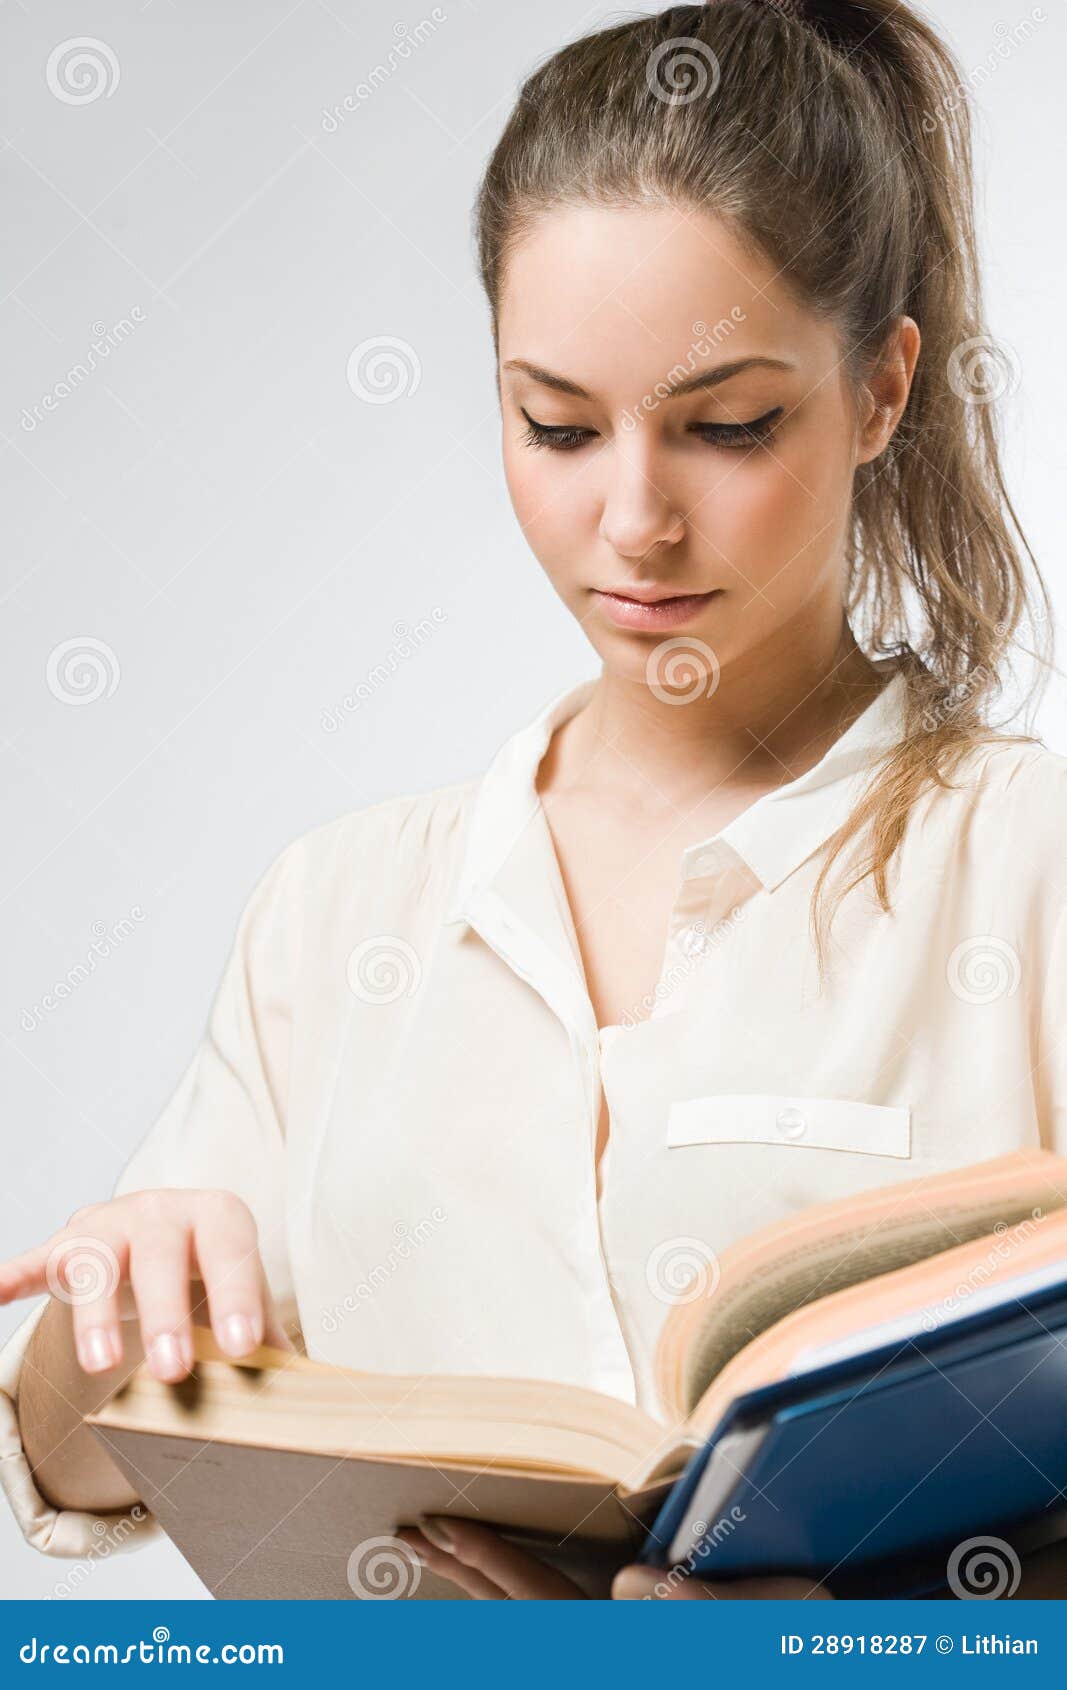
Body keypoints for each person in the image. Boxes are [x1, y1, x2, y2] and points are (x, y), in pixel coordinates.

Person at [2, 0, 1066, 1600]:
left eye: (728, 426)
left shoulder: (1028, 870)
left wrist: (859, 1640)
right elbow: (85, 1458)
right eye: (555, 424)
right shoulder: (340, 908)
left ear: (885, 392)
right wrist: (115, 1305)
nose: (631, 518)